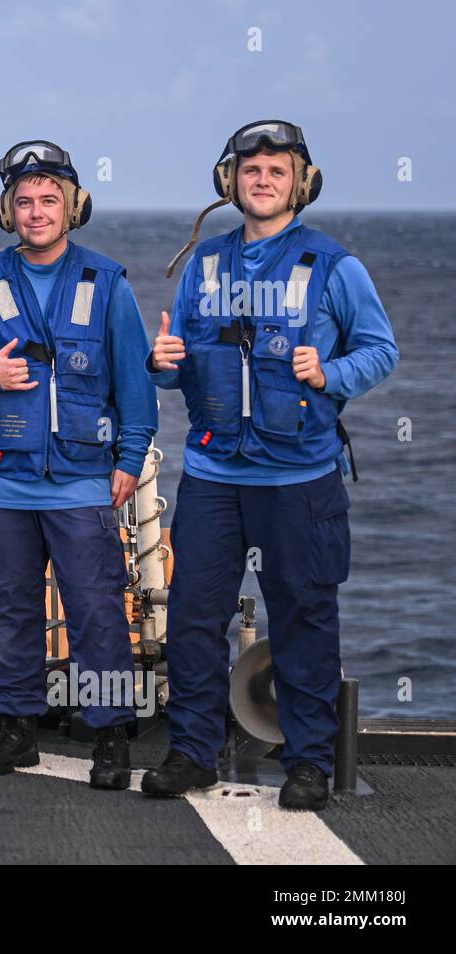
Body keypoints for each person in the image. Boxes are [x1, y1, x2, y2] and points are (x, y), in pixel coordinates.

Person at [144, 121, 399, 810]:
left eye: (276, 171)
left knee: (304, 616)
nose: (262, 180)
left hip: (299, 478)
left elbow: (381, 350)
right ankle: (193, 752)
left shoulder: (335, 266)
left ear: (300, 182)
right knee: (196, 617)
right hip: (213, 476)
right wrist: (162, 364)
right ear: (230, 182)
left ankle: (308, 761)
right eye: (250, 169)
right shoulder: (205, 264)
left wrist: (333, 369)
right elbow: (185, 364)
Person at [0, 141, 157, 786]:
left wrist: (130, 457)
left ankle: (110, 738)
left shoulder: (107, 283)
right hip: (3, 483)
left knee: (99, 615)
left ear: (73, 206)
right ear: (7, 210)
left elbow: (134, 386)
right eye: (24, 201)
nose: (36, 212)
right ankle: (16, 730)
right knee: (5, 610)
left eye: (49, 200)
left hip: (83, 482)